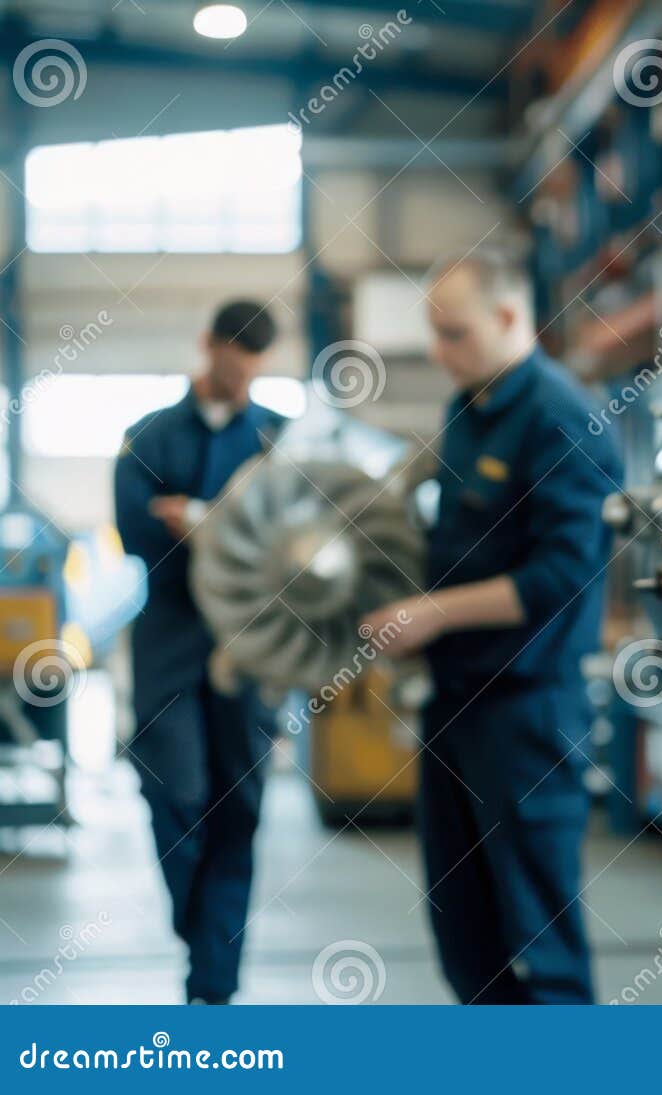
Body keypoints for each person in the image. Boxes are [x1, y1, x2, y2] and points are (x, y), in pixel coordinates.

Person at [360, 248, 619, 1004]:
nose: (440, 353)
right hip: (454, 702)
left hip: (526, 714)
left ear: (510, 316)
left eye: (454, 333)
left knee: (538, 940)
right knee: (465, 935)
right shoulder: (466, 410)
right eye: (434, 334)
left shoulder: (564, 419)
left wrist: (433, 613)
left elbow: (558, 577)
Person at [113, 300, 285, 1004]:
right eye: (231, 358)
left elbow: (293, 541)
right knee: (175, 792)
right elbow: (138, 533)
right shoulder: (147, 440)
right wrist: (235, 530)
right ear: (206, 344)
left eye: (253, 365)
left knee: (239, 808)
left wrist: (201, 520)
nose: (240, 375)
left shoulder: (278, 438)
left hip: (254, 647)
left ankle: (214, 986)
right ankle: (201, 934)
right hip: (171, 643)